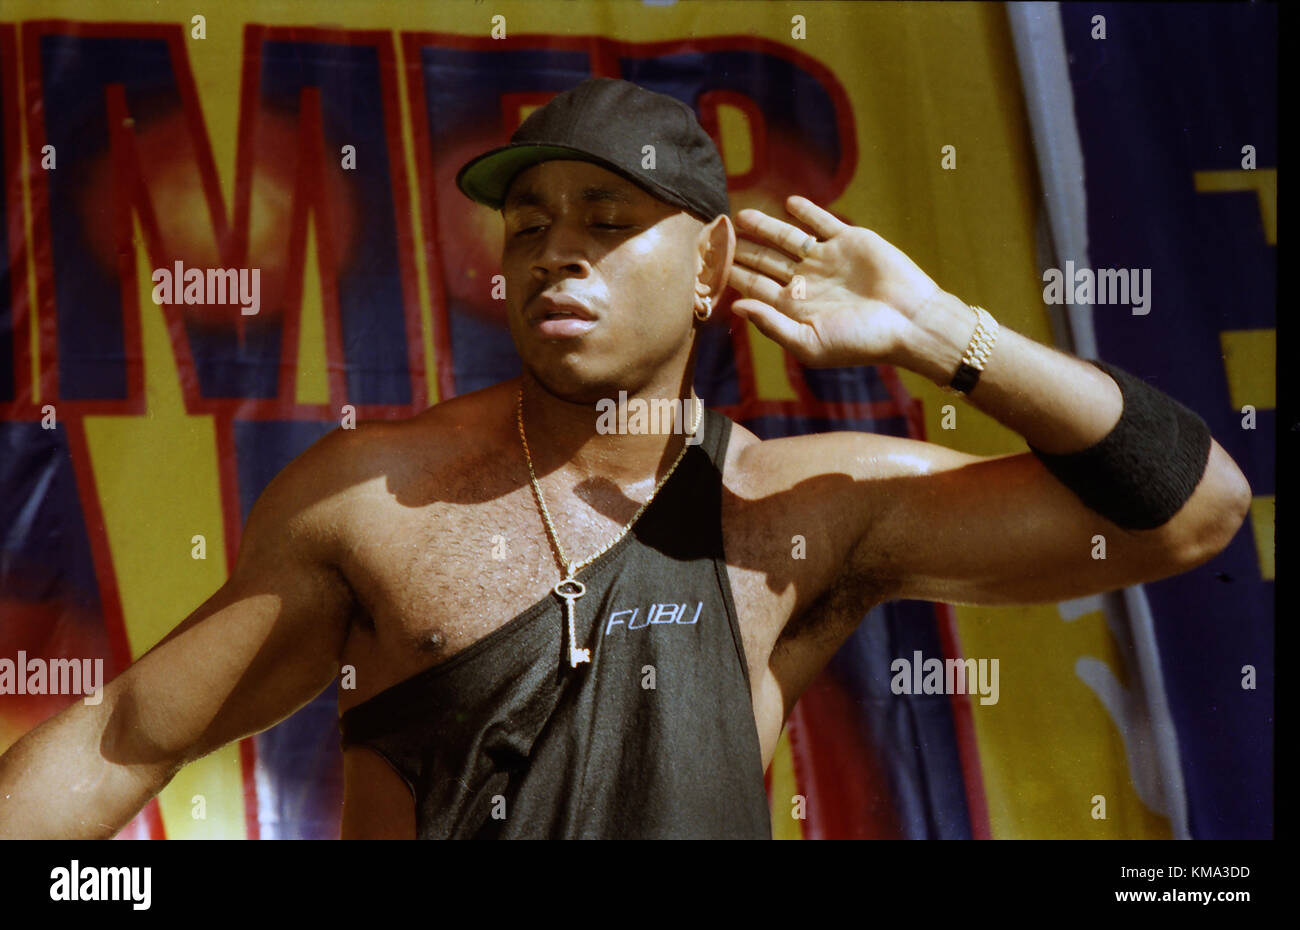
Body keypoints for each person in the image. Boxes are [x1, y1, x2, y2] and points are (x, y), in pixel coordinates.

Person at [0, 77, 1250, 839]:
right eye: (530, 224)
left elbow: (1190, 511)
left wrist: (948, 339)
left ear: (709, 267)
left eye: (608, 221)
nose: (557, 252)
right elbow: (125, 736)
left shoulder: (795, 513)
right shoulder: (374, 498)